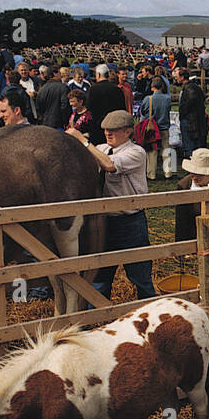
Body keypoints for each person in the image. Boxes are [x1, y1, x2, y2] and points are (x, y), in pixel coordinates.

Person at [66, 109, 155, 301]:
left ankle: (149, 312)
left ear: (128, 132)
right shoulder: (103, 148)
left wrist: (83, 140)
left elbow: (108, 165)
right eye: (106, 130)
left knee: (139, 275)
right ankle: (98, 316)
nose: (108, 133)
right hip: (104, 221)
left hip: (130, 222)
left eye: (114, 130)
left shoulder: (136, 152)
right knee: (100, 274)